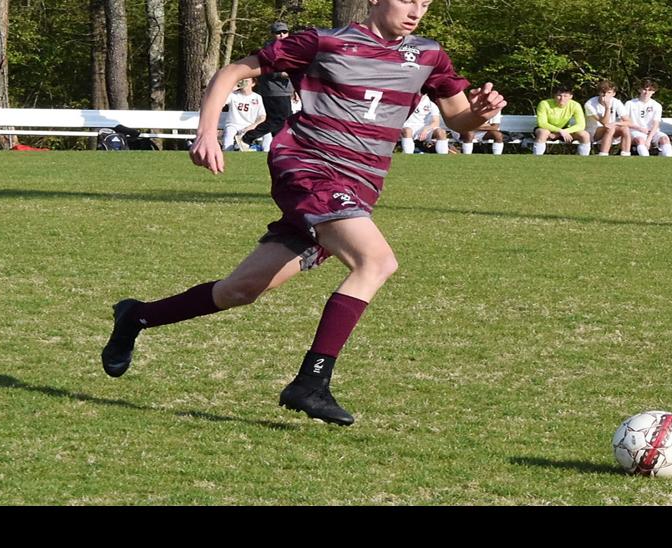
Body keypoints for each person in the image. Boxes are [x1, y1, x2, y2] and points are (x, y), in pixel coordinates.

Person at [100, 0, 505, 426]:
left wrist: (478, 114)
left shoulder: (428, 54)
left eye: (424, 2)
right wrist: (207, 133)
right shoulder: (324, 41)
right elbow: (232, 72)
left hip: (359, 187)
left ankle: (136, 316)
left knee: (241, 290)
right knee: (377, 261)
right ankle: (312, 382)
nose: (416, 10)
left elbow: (459, 120)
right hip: (308, 168)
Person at [240, 21, 298, 151]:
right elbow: (265, 70)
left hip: (284, 90)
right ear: (273, 34)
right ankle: (247, 138)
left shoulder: (288, 49)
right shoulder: (269, 50)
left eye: (284, 32)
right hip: (273, 90)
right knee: (278, 120)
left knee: (284, 122)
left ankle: (279, 147)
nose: (282, 35)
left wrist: (294, 89)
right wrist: (280, 74)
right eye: (278, 33)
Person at [534, 88, 589, 155]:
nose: (562, 98)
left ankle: (584, 159)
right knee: (543, 133)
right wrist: (560, 131)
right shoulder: (544, 104)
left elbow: (581, 125)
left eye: (565, 96)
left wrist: (563, 132)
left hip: (565, 130)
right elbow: (542, 123)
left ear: (570, 96)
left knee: (585, 135)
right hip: (548, 130)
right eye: (559, 95)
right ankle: (537, 157)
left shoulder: (575, 105)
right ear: (554, 95)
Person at [584, 81, 633, 155]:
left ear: (614, 94)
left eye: (609, 92)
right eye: (603, 92)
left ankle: (625, 155)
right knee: (609, 128)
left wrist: (615, 123)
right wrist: (607, 108)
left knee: (625, 128)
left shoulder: (616, 102)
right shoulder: (589, 104)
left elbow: (629, 122)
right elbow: (605, 123)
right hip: (594, 133)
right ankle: (603, 154)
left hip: (611, 129)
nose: (605, 95)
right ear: (599, 92)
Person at [624, 81, 671, 157]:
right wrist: (640, 129)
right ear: (639, 90)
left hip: (652, 132)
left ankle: (669, 160)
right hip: (635, 131)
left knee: (665, 139)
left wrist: (649, 140)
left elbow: (656, 124)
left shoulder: (657, 105)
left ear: (653, 92)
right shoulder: (630, 103)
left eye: (650, 90)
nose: (646, 92)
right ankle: (646, 160)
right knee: (640, 140)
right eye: (644, 89)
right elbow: (625, 121)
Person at [220, 78, 267, 150]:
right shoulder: (233, 95)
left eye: (246, 81)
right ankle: (227, 153)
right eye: (242, 81)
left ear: (253, 83)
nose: (244, 83)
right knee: (228, 134)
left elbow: (262, 116)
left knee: (267, 134)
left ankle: (266, 153)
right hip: (233, 125)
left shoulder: (257, 97)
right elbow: (220, 103)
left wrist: (253, 125)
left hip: (249, 125)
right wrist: (232, 89)